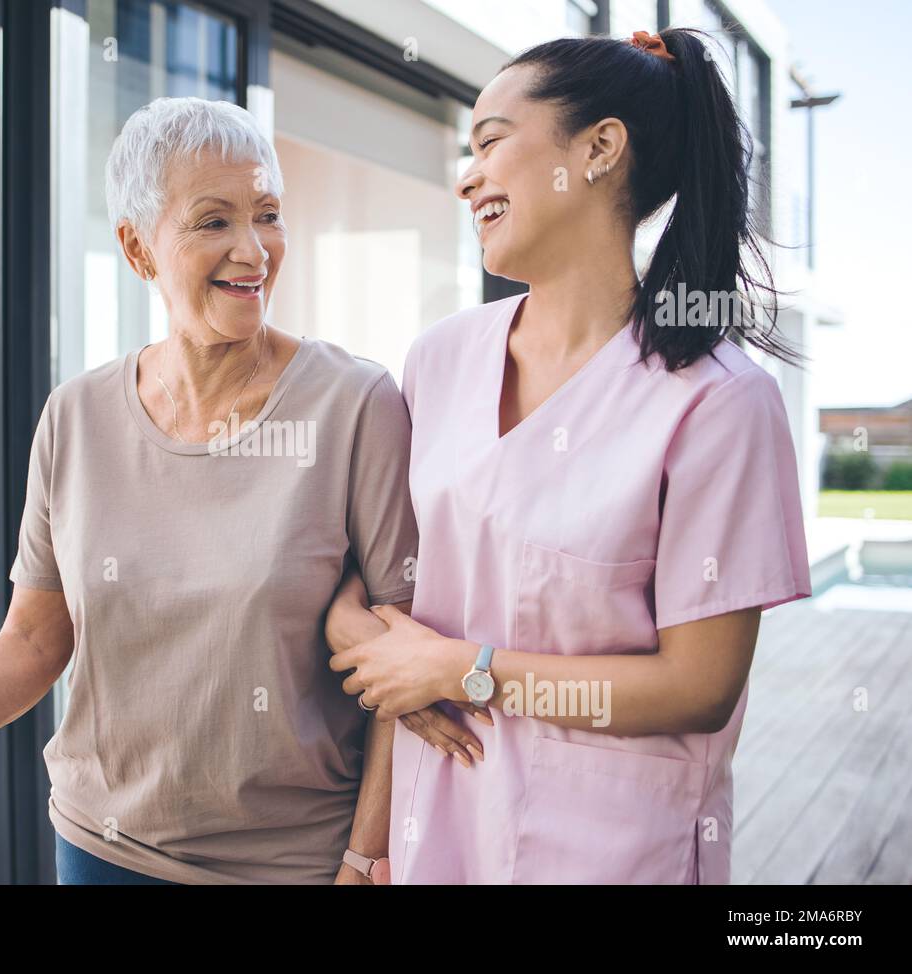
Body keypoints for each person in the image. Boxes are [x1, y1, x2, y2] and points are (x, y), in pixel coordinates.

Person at [0, 96, 448, 885]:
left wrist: (363, 860)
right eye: (213, 222)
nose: (253, 251)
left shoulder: (357, 405)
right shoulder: (76, 416)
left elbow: (404, 665)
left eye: (268, 214)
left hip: (295, 867)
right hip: (98, 849)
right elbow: (36, 641)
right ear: (138, 249)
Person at [326, 29, 811, 884]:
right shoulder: (438, 359)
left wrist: (465, 672)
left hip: (614, 852)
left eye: (491, 141)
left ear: (598, 149)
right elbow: (376, 572)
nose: (467, 176)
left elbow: (700, 686)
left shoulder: (719, 401)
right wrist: (351, 626)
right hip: (433, 832)